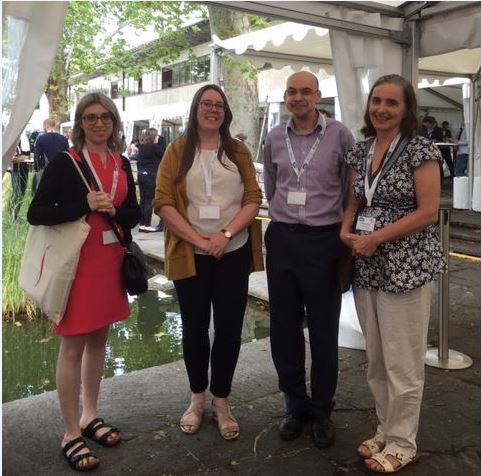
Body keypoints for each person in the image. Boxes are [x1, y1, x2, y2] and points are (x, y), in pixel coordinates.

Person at [27, 92, 140, 472]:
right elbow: (36, 213)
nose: (98, 123)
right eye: (90, 117)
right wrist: (85, 206)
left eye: (105, 117)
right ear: (80, 124)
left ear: (114, 122)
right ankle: (71, 432)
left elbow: (134, 214)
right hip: (77, 266)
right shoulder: (66, 162)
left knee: (99, 341)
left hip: (110, 263)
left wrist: (115, 211)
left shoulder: (122, 162)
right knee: (73, 345)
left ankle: (90, 415)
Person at [340, 74, 446, 473]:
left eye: (391, 102)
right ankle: (385, 428)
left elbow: (428, 212)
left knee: (403, 360)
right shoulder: (360, 150)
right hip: (368, 264)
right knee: (377, 359)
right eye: (376, 101)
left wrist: (376, 237)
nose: (381, 109)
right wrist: (346, 230)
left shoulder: (421, 149)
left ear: (406, 109)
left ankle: (403, 442)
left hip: (407, 265)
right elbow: (355, 199)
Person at [153, 84, 263, 441]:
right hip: (191, 253)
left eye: (219, 105)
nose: (213, 110)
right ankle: (197, 399)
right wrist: (200, 239)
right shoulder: (177, 150)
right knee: (195, 329)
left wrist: (225, 234)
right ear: (195, 109)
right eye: (206, 104)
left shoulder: (237, 151)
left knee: (229, 330)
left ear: (226, 112)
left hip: (233, 251)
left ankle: (222, 402)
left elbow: (253, 196)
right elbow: (163, 201)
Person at [263, 71, 354, 448]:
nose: (298, 97)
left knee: (323, 329)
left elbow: (349, 189)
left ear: (318, 95)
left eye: (305, 91)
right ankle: (293, 404)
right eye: (291, 92)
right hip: (283, 238)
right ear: (285, 97)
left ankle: (321, 410)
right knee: (283, 328)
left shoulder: (340, 135)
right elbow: (272, 185)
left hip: (323, 241)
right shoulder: (273, 137)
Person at [137, 128, 166, 232]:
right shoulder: (155, 148)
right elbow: (163, 153)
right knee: (149, 201)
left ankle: (142, 225)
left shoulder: (142, 147)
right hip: (151, 175)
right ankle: (147, 225)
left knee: (142, 200)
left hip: (141, 175)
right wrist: (159, 141)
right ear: (154, 136)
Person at [33, 118, 69, 192]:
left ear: (45, 126)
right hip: (60, 169)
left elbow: (37, 155)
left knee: (42, 190)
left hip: (45, 168)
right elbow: (67, 155)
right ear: (54, 125)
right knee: (59, 190)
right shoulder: (63, 139)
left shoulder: (41, 139)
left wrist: (37, 168)